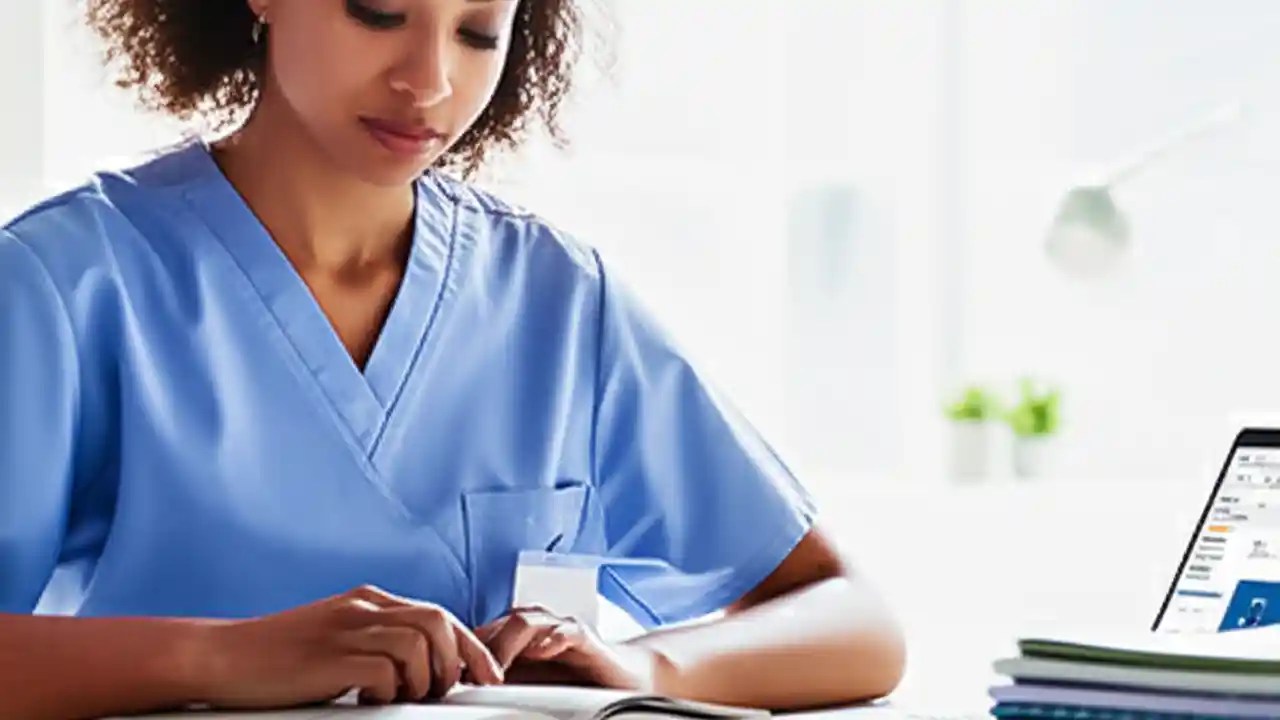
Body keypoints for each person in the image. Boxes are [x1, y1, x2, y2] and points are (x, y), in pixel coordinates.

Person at [0, 0, 906, 717]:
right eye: (378, 14)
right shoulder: (66, 282)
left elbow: (855, 622)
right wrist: (224, 657)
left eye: (478, 32)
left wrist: (644, 666)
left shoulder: (558, 299)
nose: (429, 81)